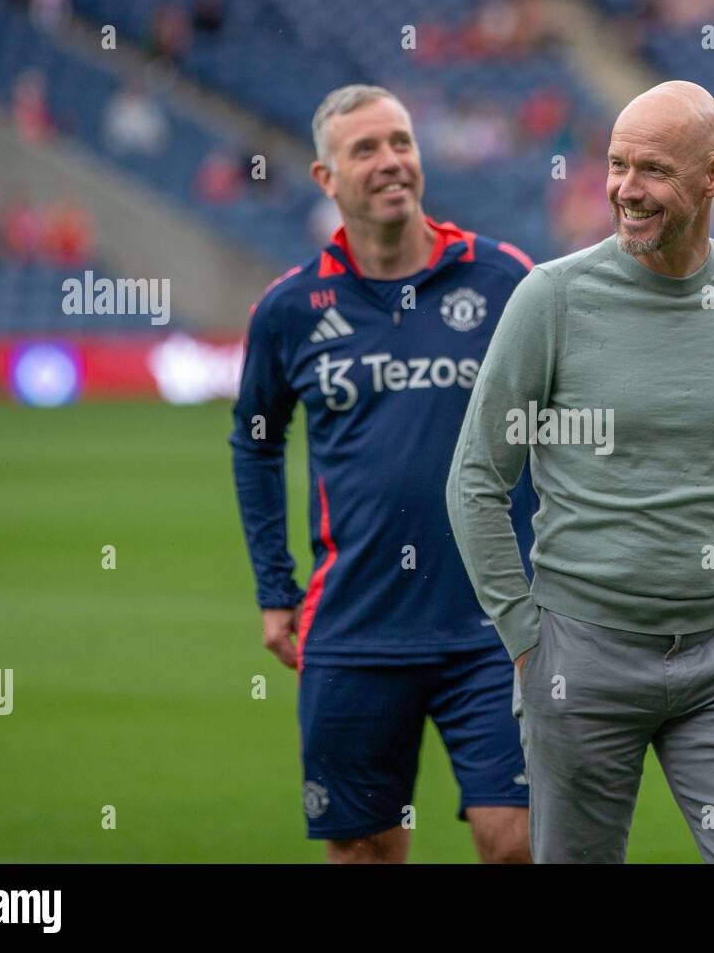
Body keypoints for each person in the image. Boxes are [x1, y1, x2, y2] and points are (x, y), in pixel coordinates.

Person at [446, 80, 714, 863]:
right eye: (616, 165)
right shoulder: (550, 299)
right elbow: (477, 478)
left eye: (652, 169)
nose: (625, 189)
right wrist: (526, 640)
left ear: (713, 176)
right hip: (577, 663)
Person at [230, 84, 536, 864]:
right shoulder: (292, 308)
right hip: (354, 627)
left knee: (523, 846)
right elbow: (255, 441)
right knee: (365, 853)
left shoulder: (507, 282)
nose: (392, 160)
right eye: (365, 149)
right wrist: (274, 589)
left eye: (401, 141)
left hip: (497, 625)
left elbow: (574, 425)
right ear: (326, 179)